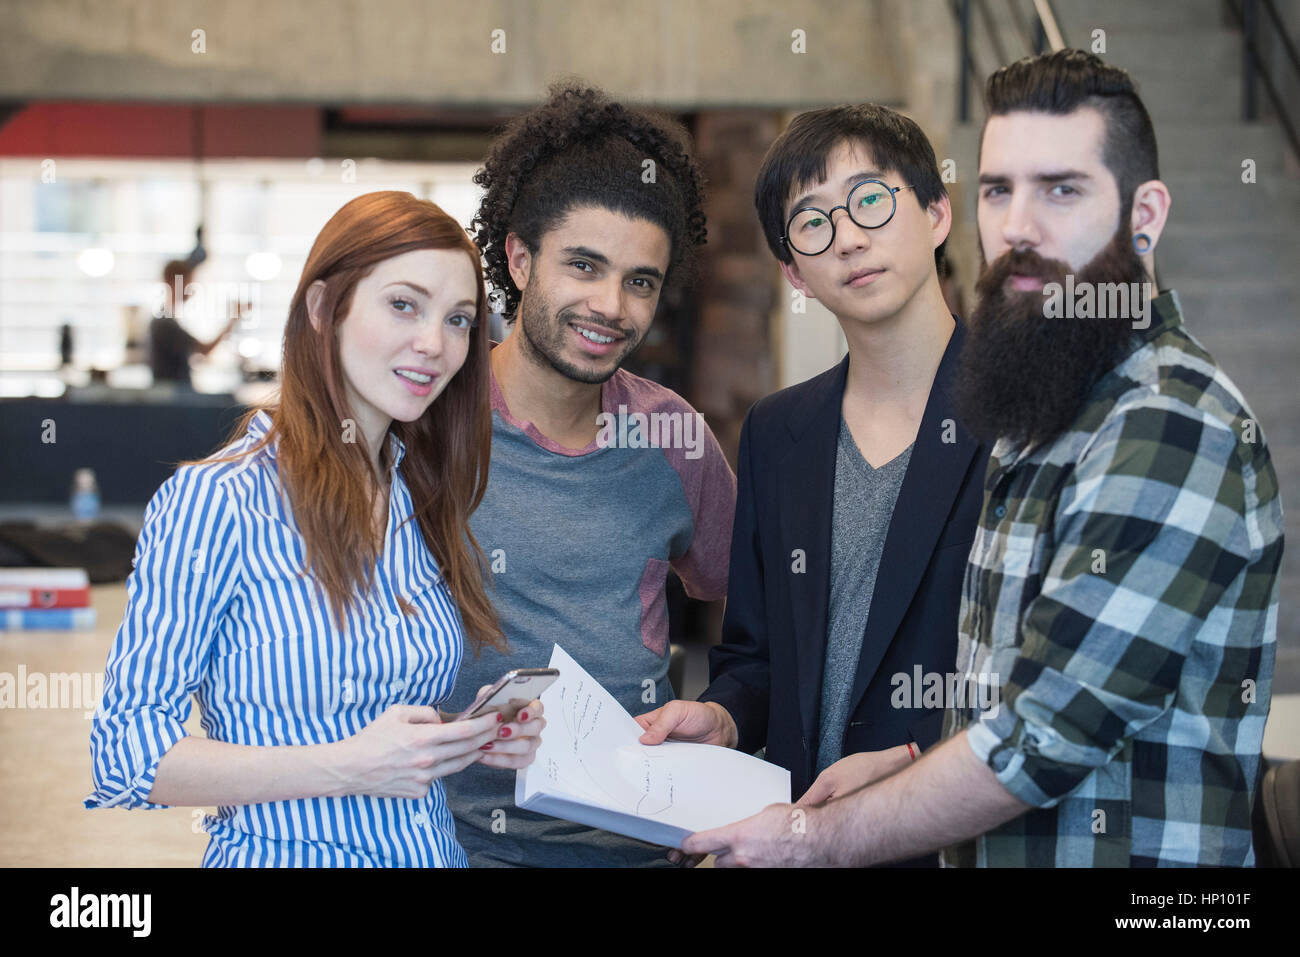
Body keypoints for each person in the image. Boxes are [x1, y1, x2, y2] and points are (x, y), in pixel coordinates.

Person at [681, 50, 1283, 868]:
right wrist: (895, 759)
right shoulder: (1047, 414)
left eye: (1061, 189)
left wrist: (812, 836)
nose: (1019, 227)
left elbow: (1044, 736)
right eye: (1000, 191)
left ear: (1145, 214)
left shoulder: (1166, 419)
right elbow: (994, 698)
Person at [87, 191, 545, 867]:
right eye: (403, 304)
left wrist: (462, 735)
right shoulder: (220, 501)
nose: (435, 344)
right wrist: (350, 766)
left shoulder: (417, 494)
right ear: (324, 307)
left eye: (458, 319)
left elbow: (371, 722)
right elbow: (126, 757)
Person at [635, 104, 990, 867]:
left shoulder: (1018, 415)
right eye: (813, 222)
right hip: (794, 844)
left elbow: (1046, 678)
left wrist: (917, 749)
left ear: (936, 213)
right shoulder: (778, 432)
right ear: (794, 272)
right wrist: (726, 715)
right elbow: (758, 655)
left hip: (955, 844)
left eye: (870, 200)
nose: (849, 237)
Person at [440, 83, 737, 867]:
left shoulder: (674, 435)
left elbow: (762, 611)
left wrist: (725, 713)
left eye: (640, 280)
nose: (611, 305)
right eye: (584, 265)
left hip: (638, 843)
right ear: (519, 258)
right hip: (448, 842)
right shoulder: (428, 421)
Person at [149, 259, 240, 388]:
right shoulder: (164, 322)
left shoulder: (166, 318)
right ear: (174, 282)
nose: (192, 289)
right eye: (189, 282)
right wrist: (233, 319)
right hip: (173, 394)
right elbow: (204, 349)